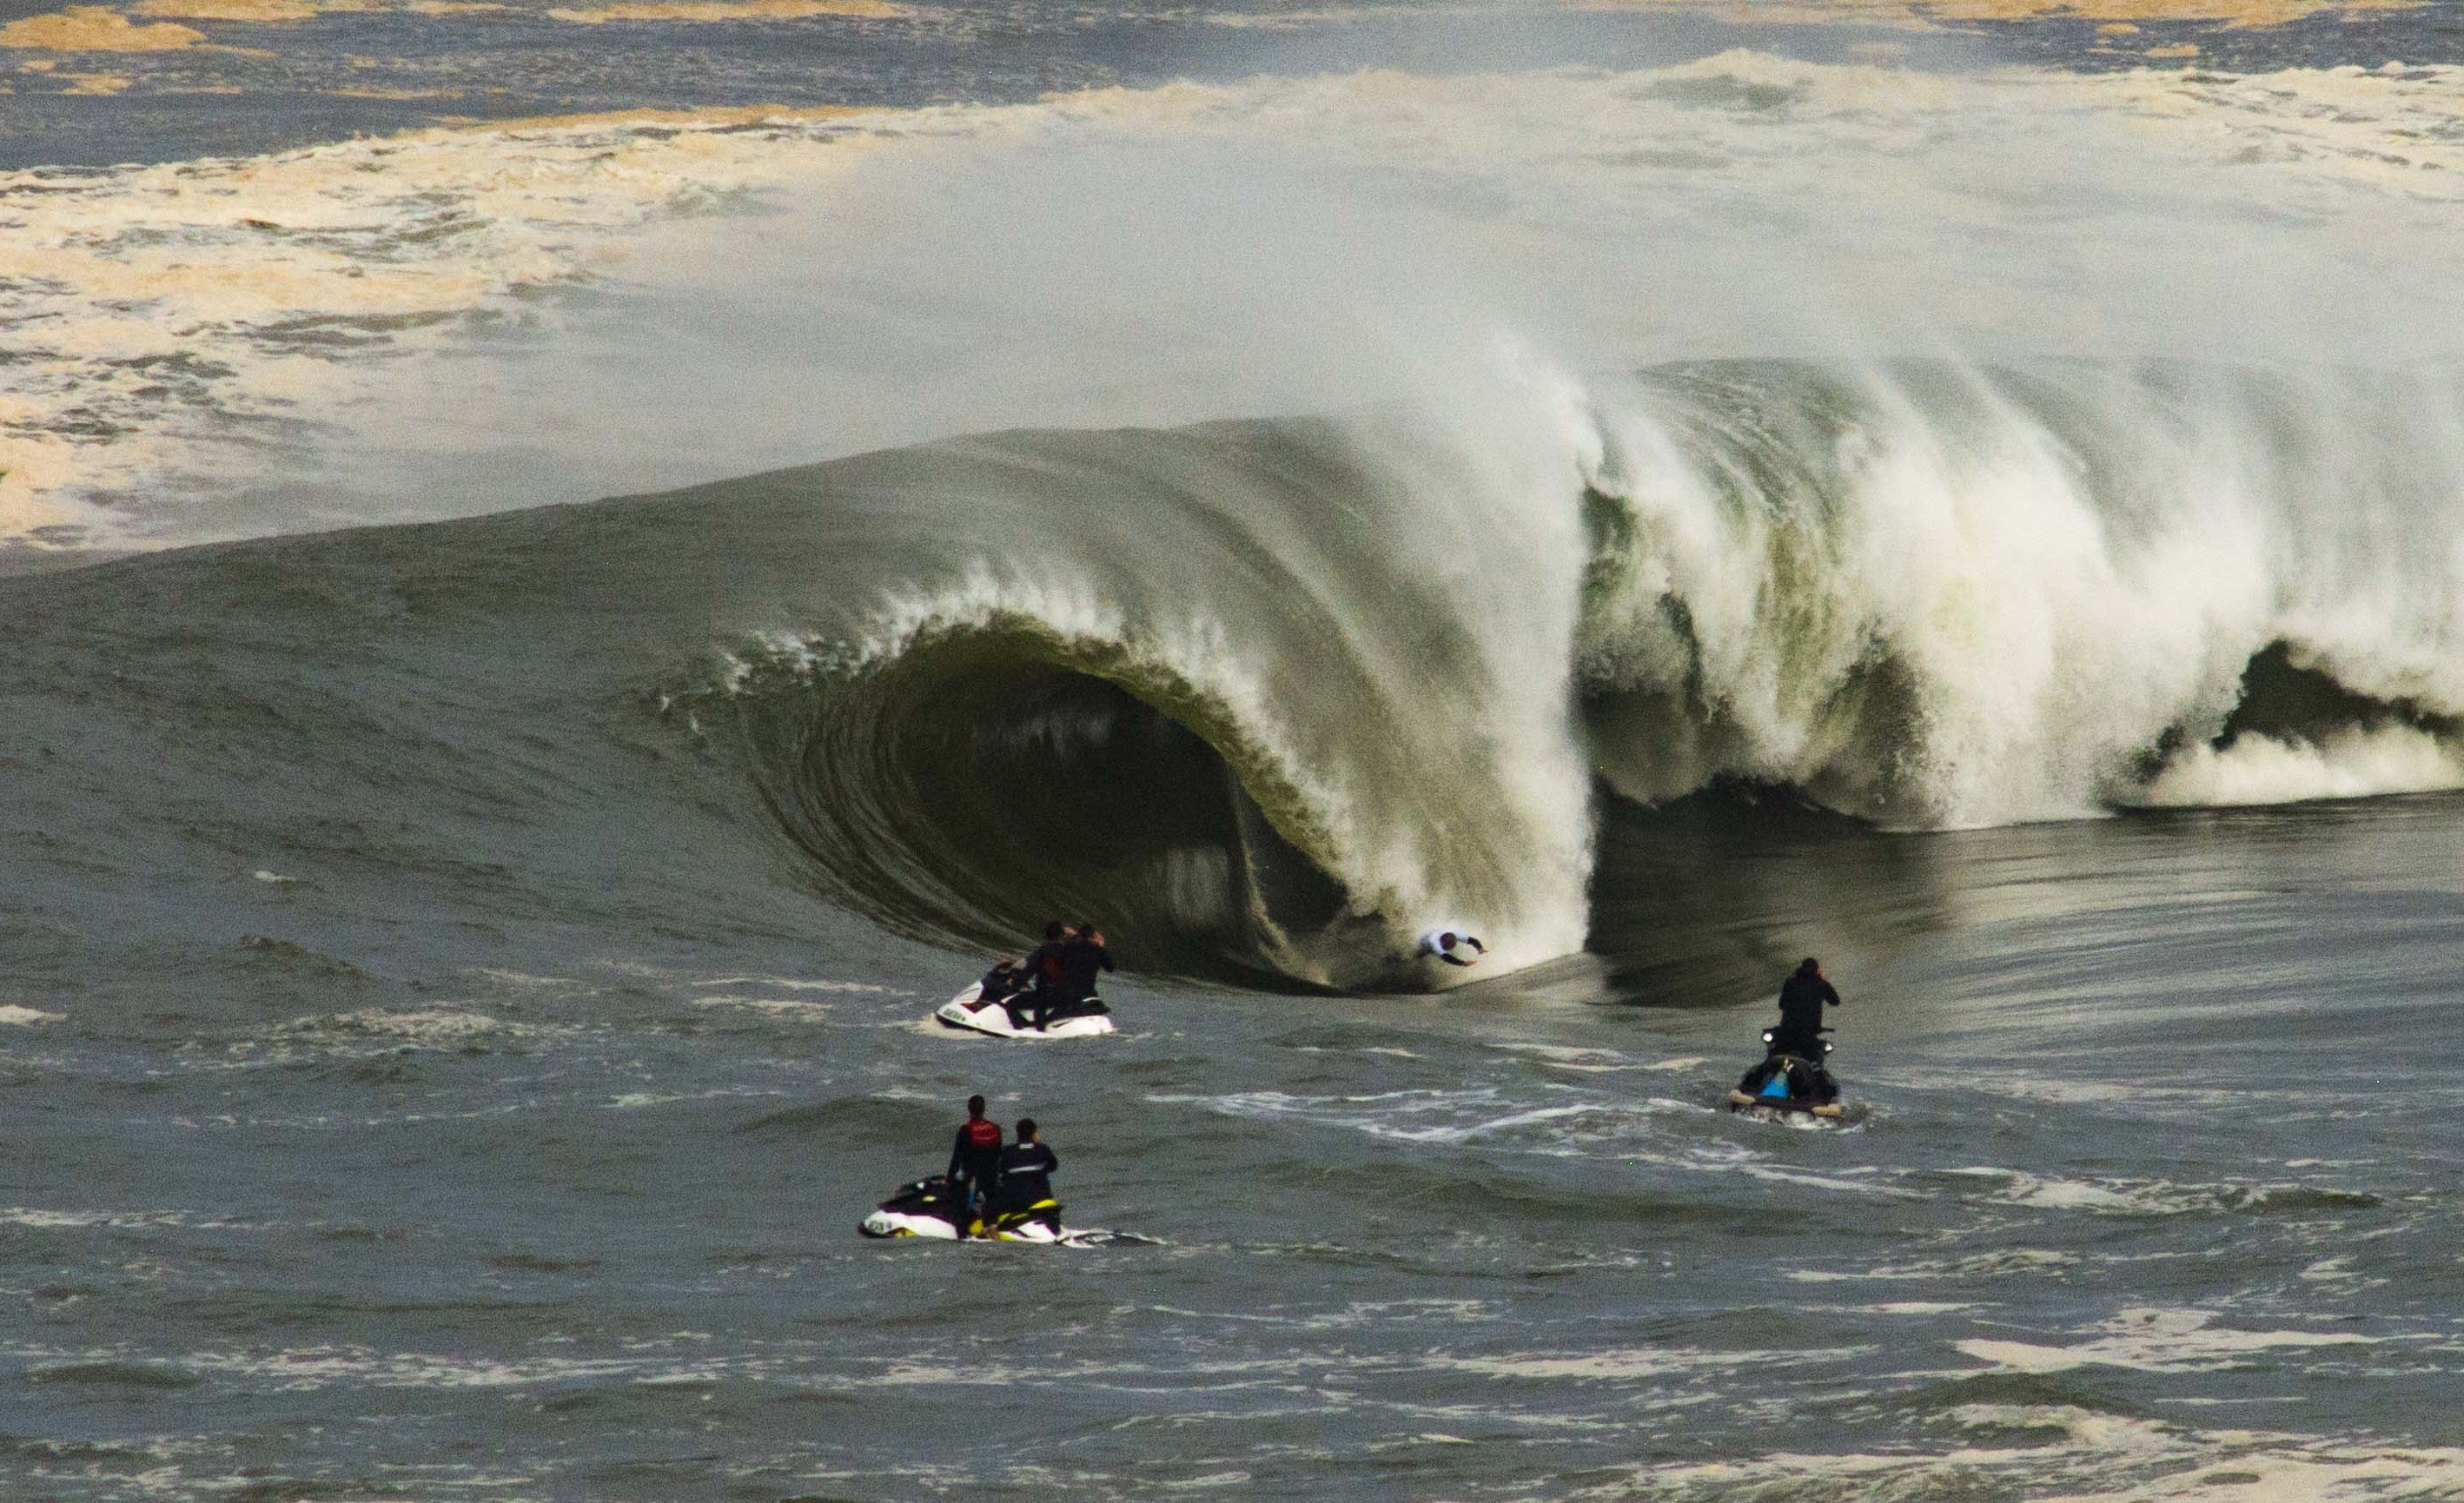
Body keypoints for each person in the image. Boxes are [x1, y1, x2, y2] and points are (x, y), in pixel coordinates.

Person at [1029, 923, 1114, 1028]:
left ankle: (1039, 1028)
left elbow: (1059, 964)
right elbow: (1110, 968)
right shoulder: (1098, 950)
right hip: (1088, 992)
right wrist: (1100, 948)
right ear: (1093, 937)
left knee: (1041, 1003)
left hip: (1066, 991)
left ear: (1080, 935)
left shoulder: (1068, 947)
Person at [944, 1095, 1004, 1236]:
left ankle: (966, 1236)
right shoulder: (995, 1128)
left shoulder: (966, 1130)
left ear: (969, 1109)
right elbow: (998, 1153)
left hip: (973, 1177)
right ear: (984, 1109)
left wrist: (949, 1179)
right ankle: (992, 1226)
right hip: (992, 1175)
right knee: (991, 1202)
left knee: (964, 1210)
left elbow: (957, 1158)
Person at [1773, 957, 1841, 1057]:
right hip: (1809, 1032)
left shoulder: (1790, 982)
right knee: (1814, 1061)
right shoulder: (1821, 984)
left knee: (1774, 1056)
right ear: (1817, 970)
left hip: (1787, 1030)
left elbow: (1781, 1004)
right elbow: (1835, 1001)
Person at [993, 1117, 1058, 1215]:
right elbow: (1053, 1166)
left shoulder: (1008, 1151)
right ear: (1033, 1134)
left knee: (989, 1206)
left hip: (1014, 1202)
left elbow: (1001, 1170)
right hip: (1040, 1199)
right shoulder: (1042, 1149)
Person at [1416, 928, 1487, 967]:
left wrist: (1480, 949)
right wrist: (1462, 963)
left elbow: (1472, 940)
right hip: (1425, 944)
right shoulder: (1434, 942)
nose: (1450, 948)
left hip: (1436, 933)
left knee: (1444, 953)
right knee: (1419, 955)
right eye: (1447, 947)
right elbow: (1445, 957)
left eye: (1451, 946)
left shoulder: (1455, 934)